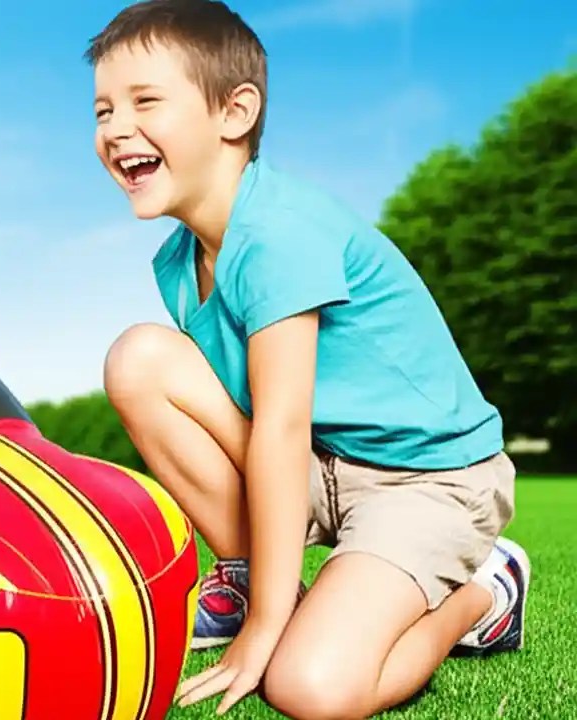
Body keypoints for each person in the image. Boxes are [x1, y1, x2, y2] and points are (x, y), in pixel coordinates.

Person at [85, 1, 529, 717]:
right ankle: (264, 584)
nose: (115, 130)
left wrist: (266, 634)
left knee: (310, 688)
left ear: (234, 113)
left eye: (145, 102)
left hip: (426, 483)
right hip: (326, 465)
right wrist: (268, 598)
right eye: (103, 110)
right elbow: (261, 422)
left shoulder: (278, 235)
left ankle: (486, 593)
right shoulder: (178, 260)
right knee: (139, 360)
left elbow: (282, 428)